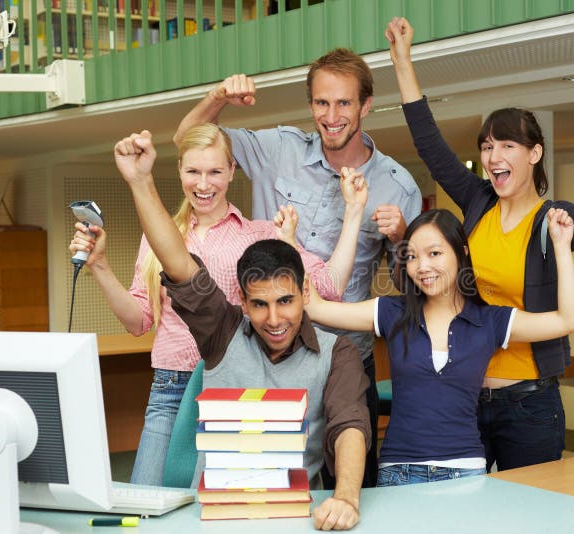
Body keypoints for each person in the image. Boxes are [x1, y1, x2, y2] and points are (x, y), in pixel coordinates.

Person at [384, 17, 574, 472]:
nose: (493, 157)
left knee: (527, 512)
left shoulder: (551, 220)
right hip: (465, 396)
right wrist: (402, 61)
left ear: (534, 153)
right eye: (487, 146)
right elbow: (429, 143)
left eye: (506, 145)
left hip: (528, 402)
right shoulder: (477, 202)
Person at [173, 48, 423, 487]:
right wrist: (217, 97)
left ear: (365, 105)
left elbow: (414, 286)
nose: (332, 115)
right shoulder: (279, 149)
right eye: (321, 103)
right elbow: (188, 142)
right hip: (268, 356)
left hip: (346, 358)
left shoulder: (397, 185)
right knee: (266, 483)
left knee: (352, 480)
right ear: (311, 104)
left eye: (344, 103)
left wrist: (402, 240)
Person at [68, 124, 368, 487]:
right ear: (179, 171)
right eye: (193, 171)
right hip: (171, 388)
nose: (203, 184)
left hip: (233, 386)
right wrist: (99, 267)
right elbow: (138, 321)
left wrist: (353, 213)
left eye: (214, 171)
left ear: (232, 171)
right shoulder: (159, 237)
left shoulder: (258, 235)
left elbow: (329, 287)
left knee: (231, 501)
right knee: (145, 501)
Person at [303, 207, 574, 486]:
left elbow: (569, 320)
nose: (422, 266)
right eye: (412, 256)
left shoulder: (489, 320)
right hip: (398, 472)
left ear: (461, 252)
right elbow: (315, 308)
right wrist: (288, 240)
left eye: (434, 253)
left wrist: (561, 246)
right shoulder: (392, 312)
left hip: (465, 473)